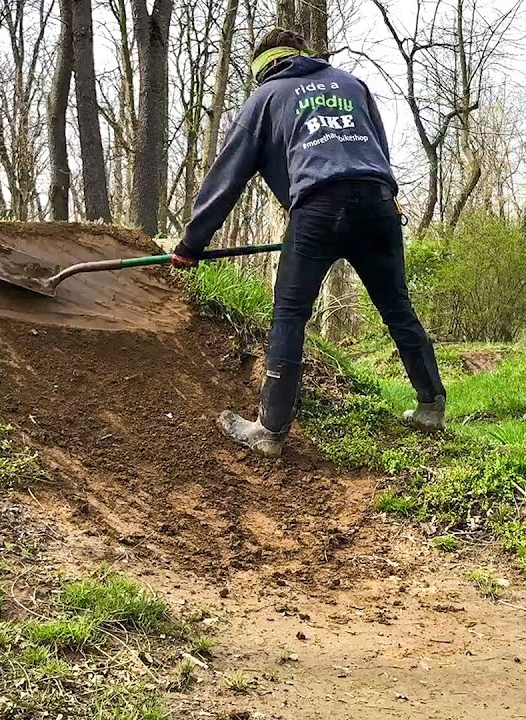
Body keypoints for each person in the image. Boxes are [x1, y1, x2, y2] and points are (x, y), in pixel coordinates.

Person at [172, 28, 446, 458]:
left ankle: (270, 429)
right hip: (378, 203)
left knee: (291, 313)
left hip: (319, 209)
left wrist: (191, 244)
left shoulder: (265, 99)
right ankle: (431, 406)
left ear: (261, 69)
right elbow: (377, 150)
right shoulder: (352, 84)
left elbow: (228, 176)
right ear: (301, 55)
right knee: (397, 306)